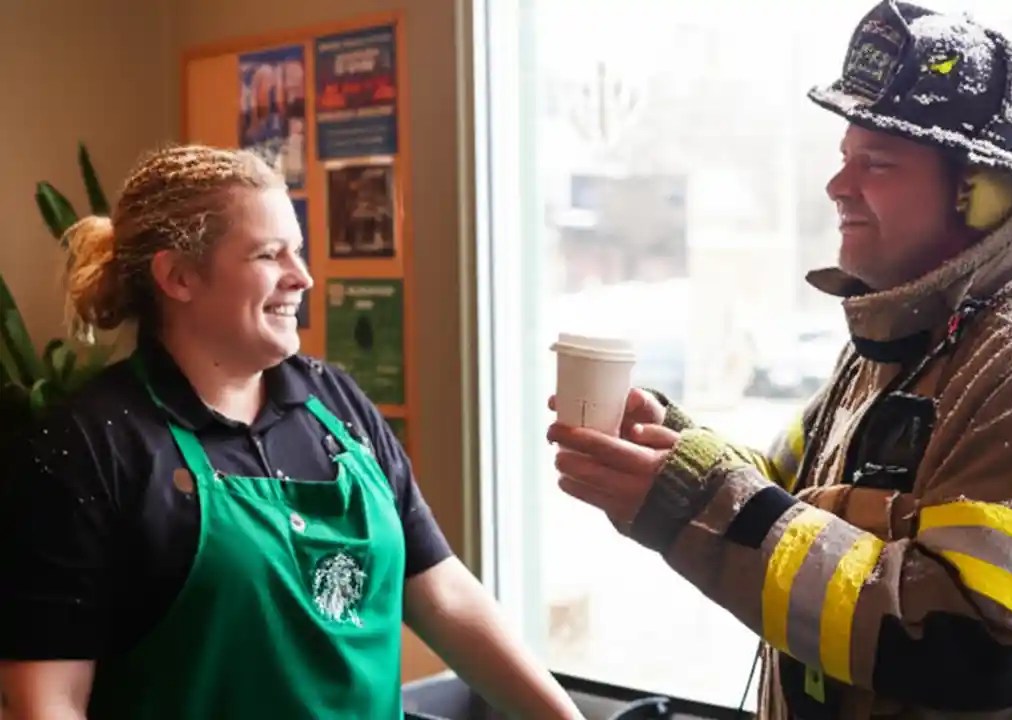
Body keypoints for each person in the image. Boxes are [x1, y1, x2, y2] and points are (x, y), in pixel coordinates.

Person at [547, 2, 1012, 718]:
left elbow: (973, 643)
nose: (838, 185)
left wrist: (694, 501)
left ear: (980, 192)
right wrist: (672, 449)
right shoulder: (904, 340)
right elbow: (785, 491)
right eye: (844, 157)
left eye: (876, 163)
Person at [0, 145, 583, 720]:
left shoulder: (337, 404)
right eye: (268, 255)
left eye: (297, 251)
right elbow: (47, 701)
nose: (301, 277)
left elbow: (442, 592)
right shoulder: (91, 446)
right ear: (178, 276)